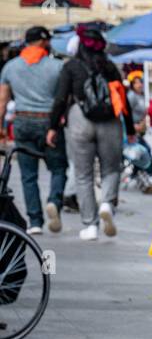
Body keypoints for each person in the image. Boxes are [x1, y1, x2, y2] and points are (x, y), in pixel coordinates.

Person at [48, 24, 128, 241]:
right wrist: (129, 129)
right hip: (110, 121)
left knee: (83, 174)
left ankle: (90, 225)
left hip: (79, 119)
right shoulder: (110, 66)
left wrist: (53, 127)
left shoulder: (71, 66)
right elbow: (123, 97)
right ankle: (107, 204)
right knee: (111, 169)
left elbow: (60, 99)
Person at [0, 25, 67, 235]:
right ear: (43, 41)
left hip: (22, 122)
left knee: (28, 175)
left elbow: (2, 101)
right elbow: (62, 99)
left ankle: (35, 221)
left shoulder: (10, 67)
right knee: (58, 168)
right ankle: (54, 201)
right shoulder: (57, 66)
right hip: (49, 122)